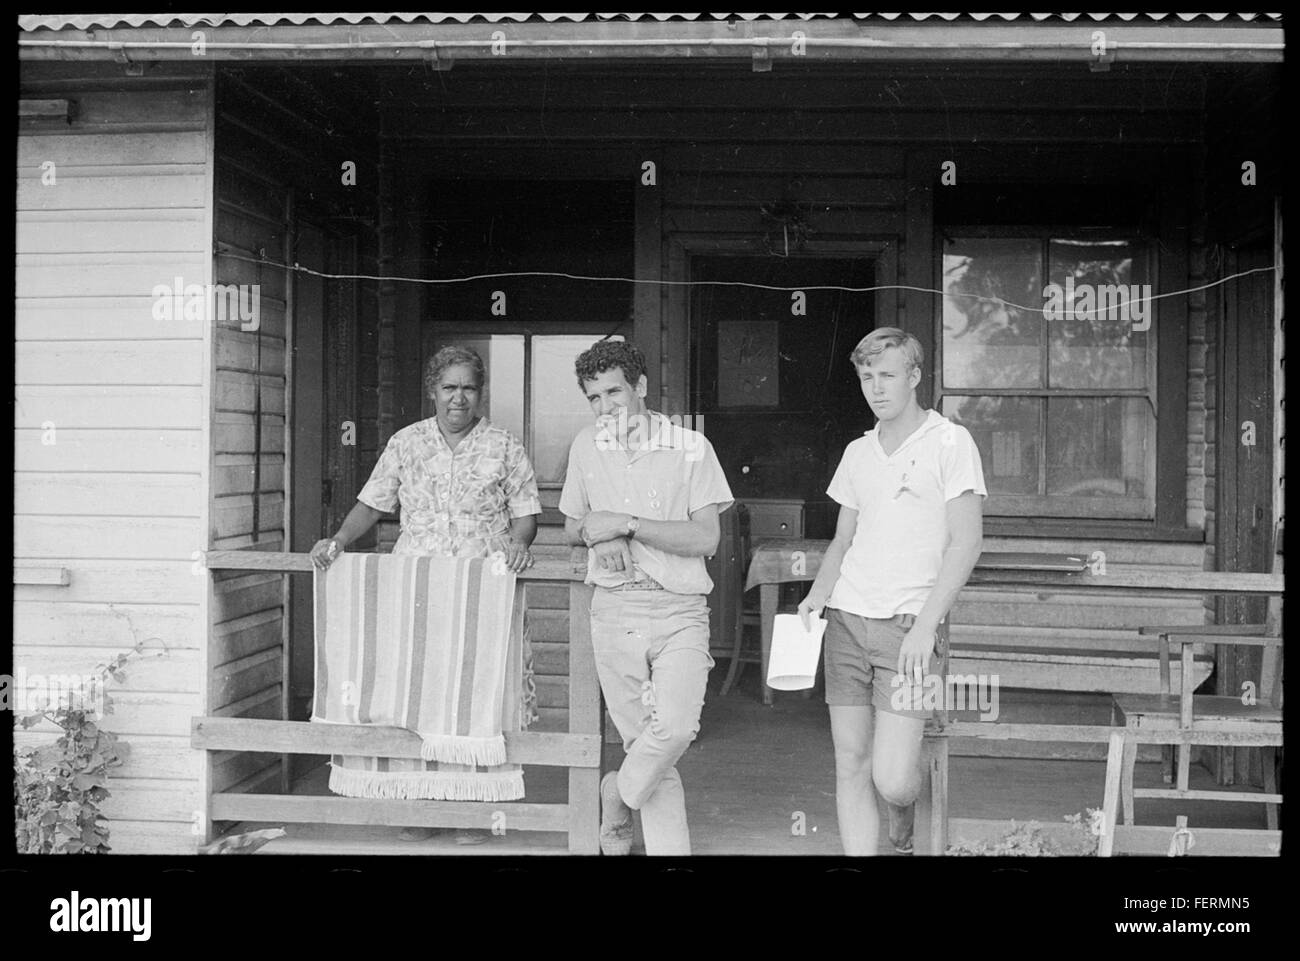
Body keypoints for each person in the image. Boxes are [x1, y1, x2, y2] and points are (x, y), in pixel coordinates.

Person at [310, 344, 541, 843]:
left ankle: (475, 809)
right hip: (417, 590)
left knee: (475, 697)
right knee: (419, 693)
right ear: (433, 391)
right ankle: (417, 805)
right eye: (449, 387)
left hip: (481, 592)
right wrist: (338, 540)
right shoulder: (406, 443)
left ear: (480, 394)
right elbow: (371, 505)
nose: (459, 397)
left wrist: (520, 545)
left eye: (468, 388)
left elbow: (526, 515)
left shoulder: (505, 446)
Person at [797, 327, 986, 856]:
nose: (876, 388)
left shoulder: (951, 442)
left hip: (911, 631)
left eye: (887, 375)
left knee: (894, 779)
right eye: (866, 377)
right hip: (847, 624)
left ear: (915, 376)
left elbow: (967, 543)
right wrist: (818, 594)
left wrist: (927, 627)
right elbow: (843, 540)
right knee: (851, 763)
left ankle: (902, 820)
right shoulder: (859, 452)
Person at [559, 340, 733, 856]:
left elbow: (706, 539)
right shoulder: (586, 446)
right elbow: (572, 521)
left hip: (680, 609)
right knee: (644, 747)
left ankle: (618, 793)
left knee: (676, 728)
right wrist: (601, 533)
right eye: (594, 397)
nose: (606, 407)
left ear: (641, 387)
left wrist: (630, 525)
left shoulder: (691, 447)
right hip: (616, 609)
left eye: (614, 392)